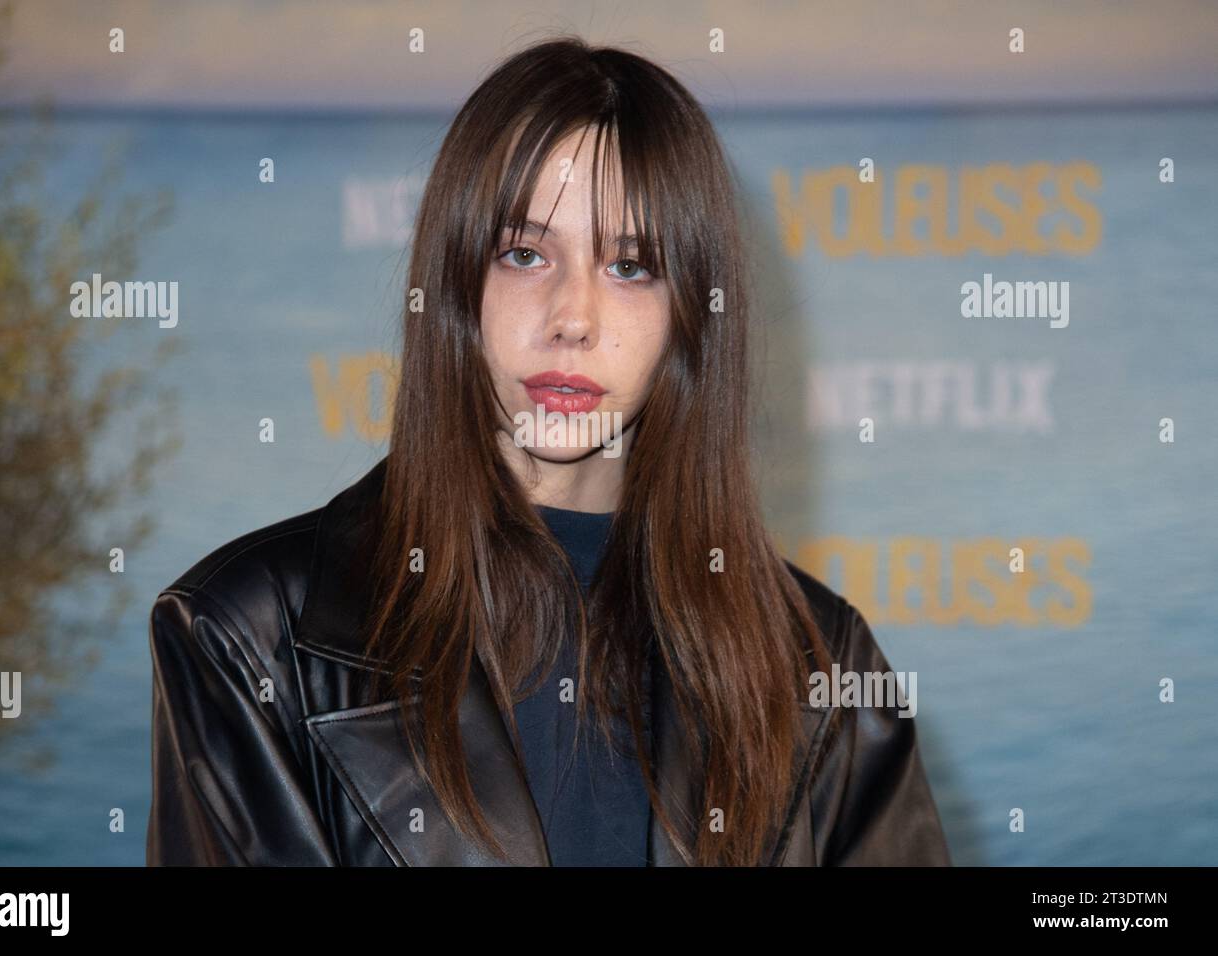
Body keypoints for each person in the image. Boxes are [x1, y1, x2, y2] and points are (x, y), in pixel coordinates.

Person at [146, 36, 951, 867]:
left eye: (632, 265)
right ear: (457, 282)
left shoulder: (818, 661)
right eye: (524, 254)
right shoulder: (245, 637)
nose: (574, 316)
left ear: (692, 313)